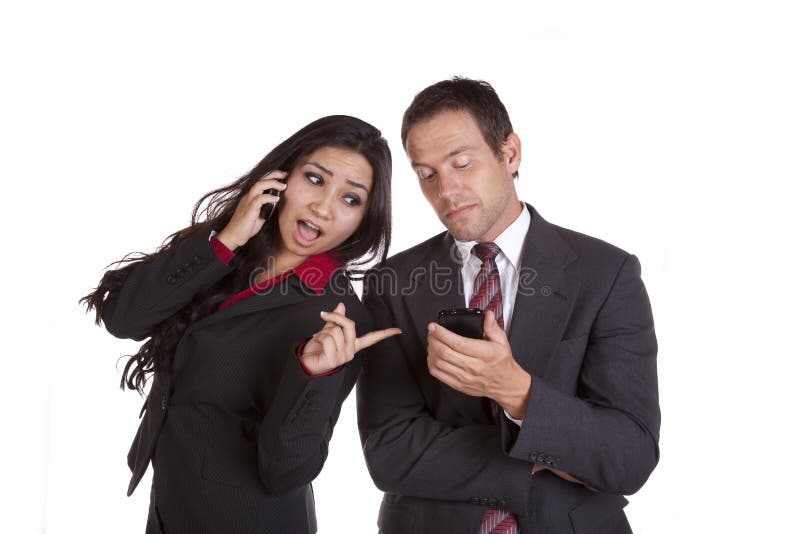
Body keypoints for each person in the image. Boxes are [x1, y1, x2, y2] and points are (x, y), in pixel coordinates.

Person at [358, 78, 660, 533]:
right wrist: (544, 460)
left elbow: (628, 456)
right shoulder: (392, 283)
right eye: (426, 175)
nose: (446, 190)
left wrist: (517, 391)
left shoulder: (607, 273)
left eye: (462, 163)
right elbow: (390, 453)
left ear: (510, 153)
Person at [82, 115, 400, 534]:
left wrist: (315, 376)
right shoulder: (228, 251)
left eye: (351, 199)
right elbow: (124, 317)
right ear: (282, 177)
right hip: (171, 508)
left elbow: (287, 470)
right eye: (316, 179)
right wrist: (225, 241)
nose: (323, 207)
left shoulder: (339, 319)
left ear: (365, 219)